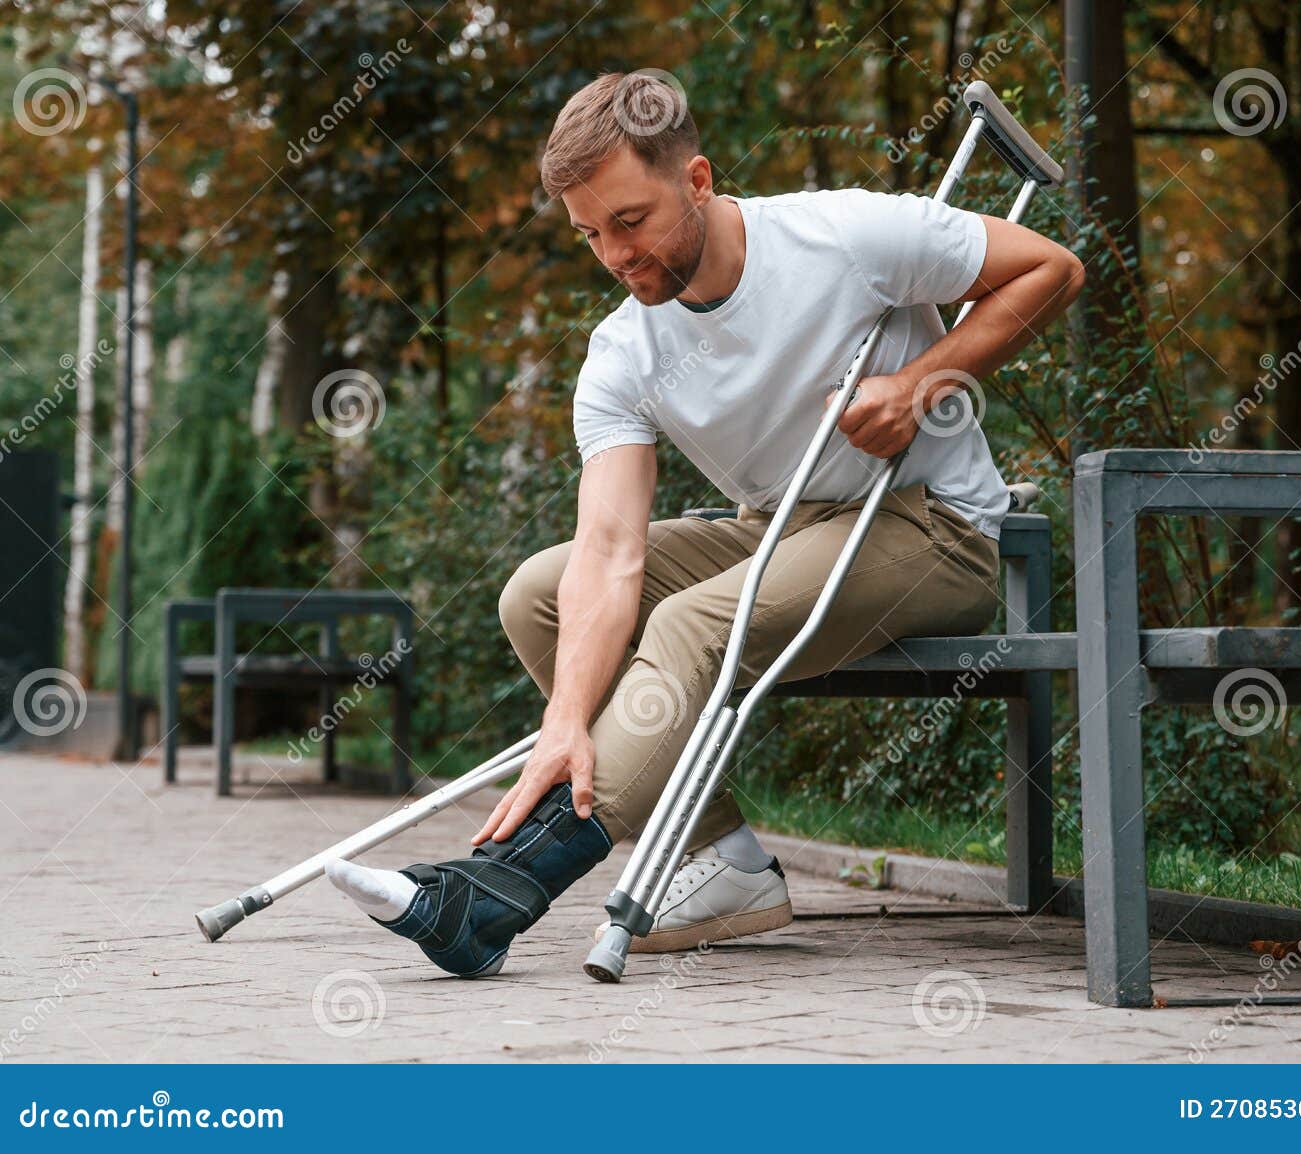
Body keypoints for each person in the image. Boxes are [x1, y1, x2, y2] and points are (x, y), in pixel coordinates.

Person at [327, 70, 1084, 977]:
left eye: (630, 221)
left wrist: (925, 383)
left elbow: (1052, 265)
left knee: (687, 624)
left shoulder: (843, 234)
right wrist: (565, 721)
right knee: (539, 593)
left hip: (930, 529)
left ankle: (497, 894)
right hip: (781, 531)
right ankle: (721, 858)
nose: (613, 255)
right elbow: (608, 553)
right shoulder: (622, 355)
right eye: (589, 234)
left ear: (697, 181)